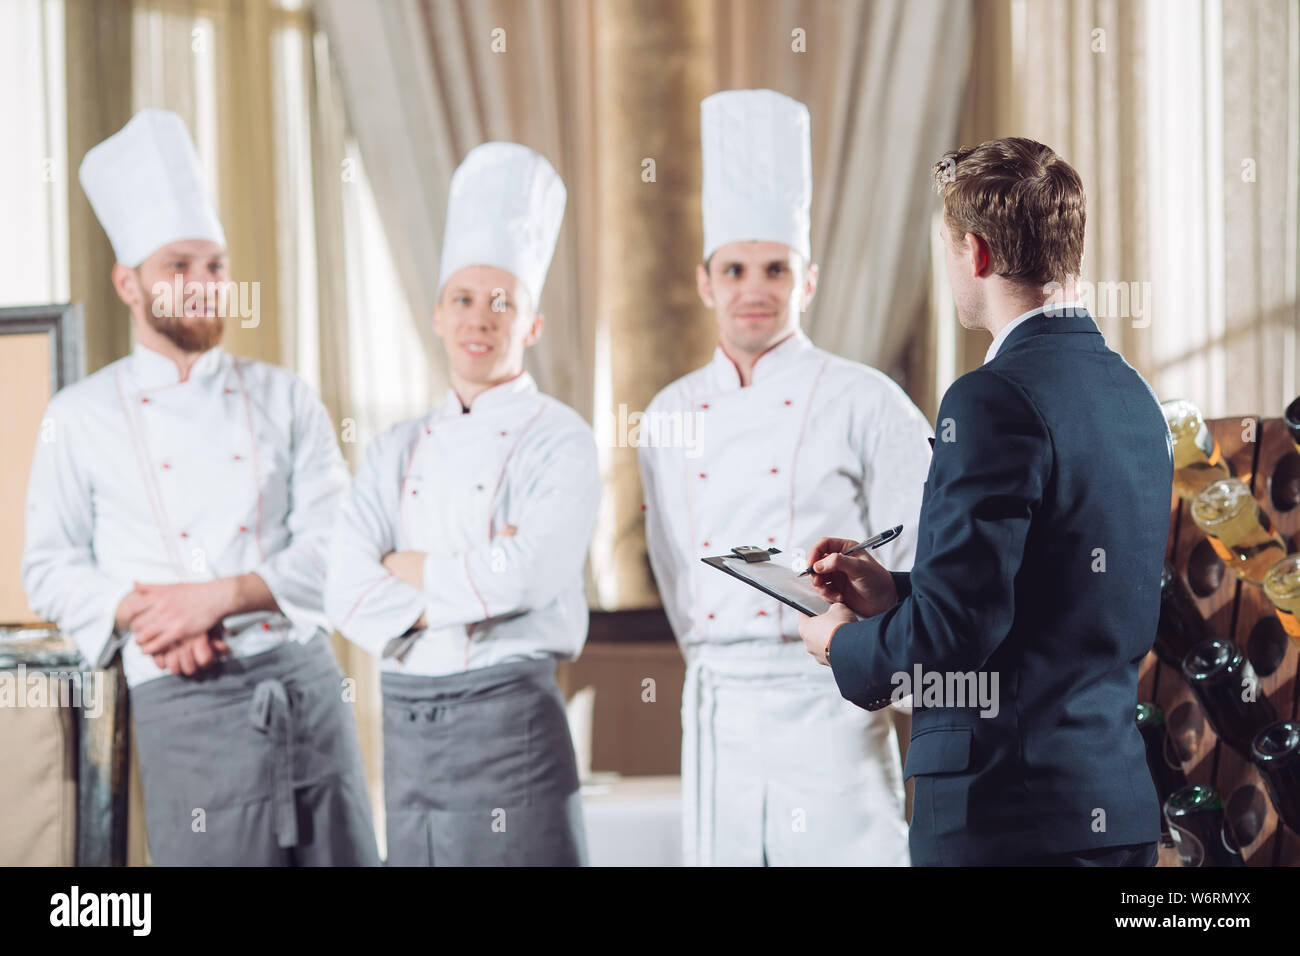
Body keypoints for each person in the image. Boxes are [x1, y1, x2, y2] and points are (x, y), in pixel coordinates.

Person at [799, 137, 1171, 867]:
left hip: (1005, 813)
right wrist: (896, 590)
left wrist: (840, 643)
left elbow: (952, 637)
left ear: (973, 252)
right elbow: (1054, 592)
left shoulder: (990, 398)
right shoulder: (1134, 394)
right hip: (1112, 804)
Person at [22, 108, 378, 866]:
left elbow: (339, 547)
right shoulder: (78, 416)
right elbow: (48, 568)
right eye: (177, 266)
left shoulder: (285, 397)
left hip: (305, 689)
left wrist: (213, 600)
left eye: (215, 266)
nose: (202, 286)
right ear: (129, 282)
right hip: (181, 701)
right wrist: (148, 616)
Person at [639, 89, 933, 866]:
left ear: (807, 281)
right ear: (706, 282)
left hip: (829, 694)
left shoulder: (866, 398)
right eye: (734, 268)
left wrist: (869, 659)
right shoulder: (670, 413)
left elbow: (922, 559)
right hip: (717, 704)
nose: (754, 287)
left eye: (776, 267)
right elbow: (675, 566)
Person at [326, 141, 599, 866]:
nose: (481, 319)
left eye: (502, 302)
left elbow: (529, 576)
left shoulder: (561, 440)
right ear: (439, 316)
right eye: (464, 300)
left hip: (509, 720)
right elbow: (341, 590)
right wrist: (476, 570)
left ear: (531, 325)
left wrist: (403, 565)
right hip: (407, 727)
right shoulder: (391, 448)